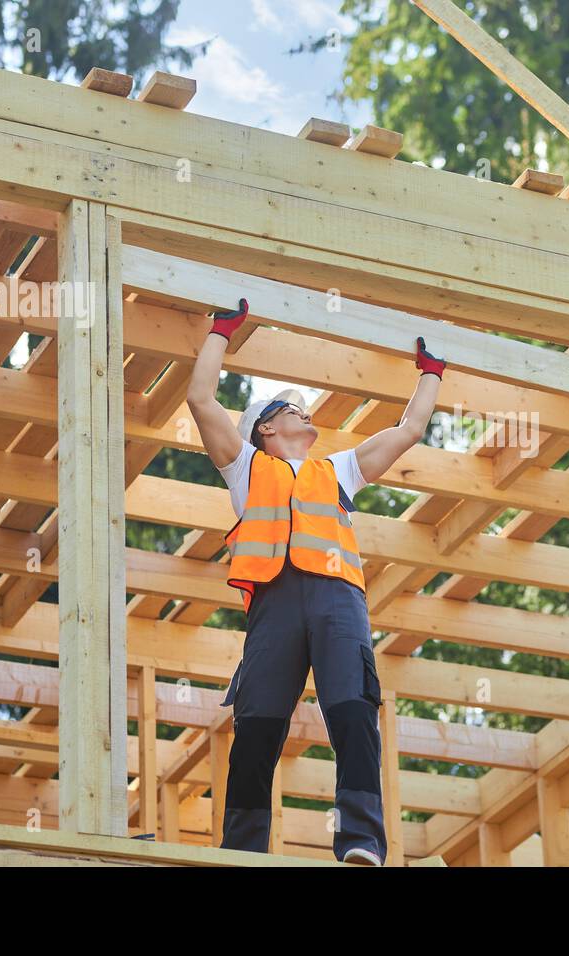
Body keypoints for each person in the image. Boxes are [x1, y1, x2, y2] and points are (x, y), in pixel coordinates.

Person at [184, 297, 446, 865]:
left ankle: (360, 841)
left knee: (353, 712)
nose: (306, 414)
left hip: (337, 600)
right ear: (267, 427)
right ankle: (243, 853)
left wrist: (432, 371)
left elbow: (411, 428)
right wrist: (222, 332)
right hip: (275, 607)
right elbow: (201, 398)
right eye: (292, 408)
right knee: (256, 729)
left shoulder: (338, 470)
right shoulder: (247, 468)